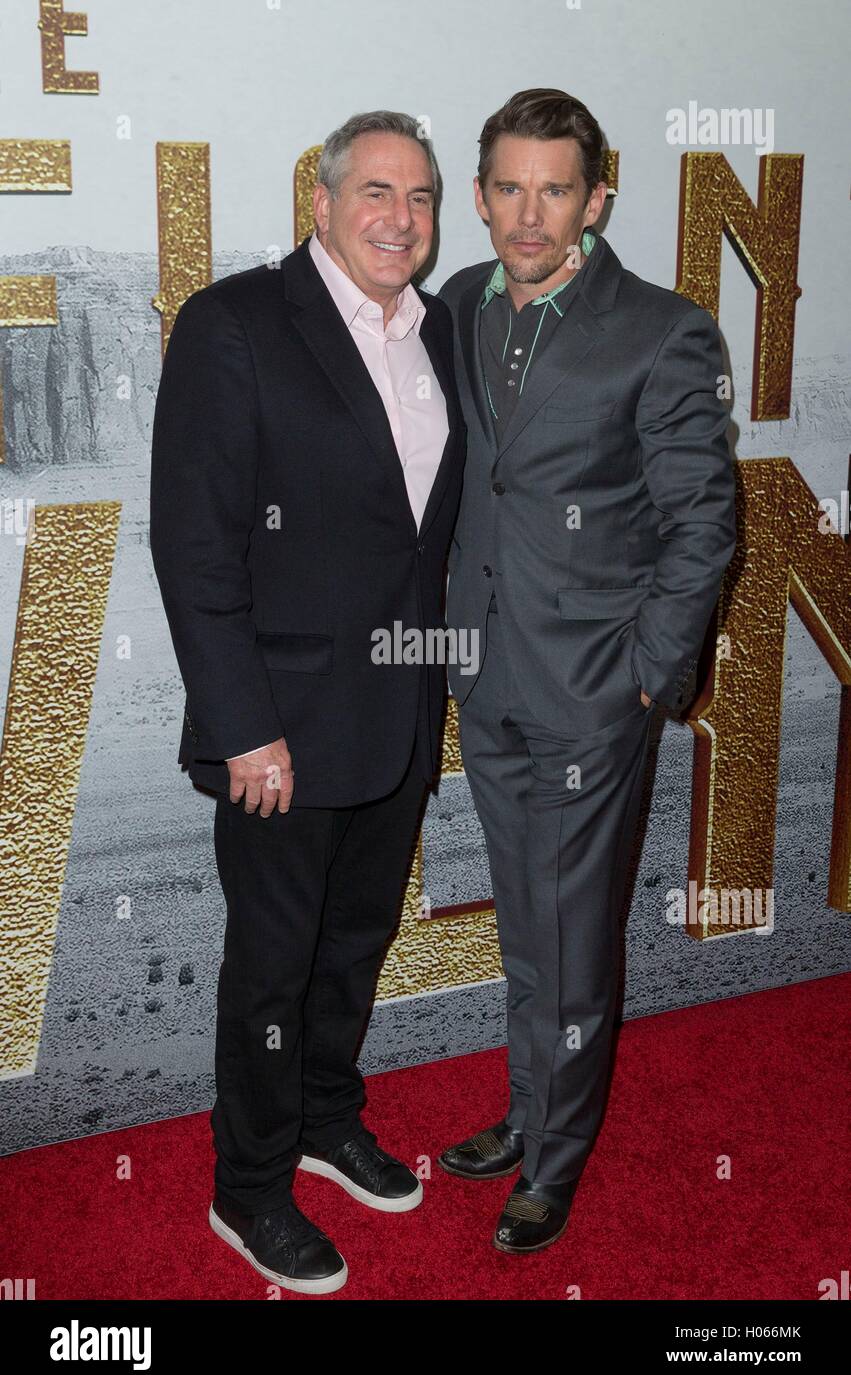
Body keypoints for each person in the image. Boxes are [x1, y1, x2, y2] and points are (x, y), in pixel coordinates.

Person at [150, 111, 465, 1294]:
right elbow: (195, 546)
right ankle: (250, 1185)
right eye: (376, 191)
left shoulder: (438, 329)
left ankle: (328, 1116)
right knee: (272, 964)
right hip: (276, 725)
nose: (400, 217)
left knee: (355, 941)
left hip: (396, 709)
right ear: (321, 204)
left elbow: (416, 542)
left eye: (422, 196)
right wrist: (241, 722)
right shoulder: (234, 324)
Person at [437, 88, 736, 1253]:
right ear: (477, 197)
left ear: (594, 197)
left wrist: (646, 679)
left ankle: (551, 1161)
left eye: (552, 188)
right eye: (506, 187)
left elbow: (702, 520)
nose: (527, 213)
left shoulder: (661, 329)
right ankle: (528, 1107)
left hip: (592, 687)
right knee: (529, 922)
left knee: (570, 929)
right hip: (486, 670)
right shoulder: (459, 303)